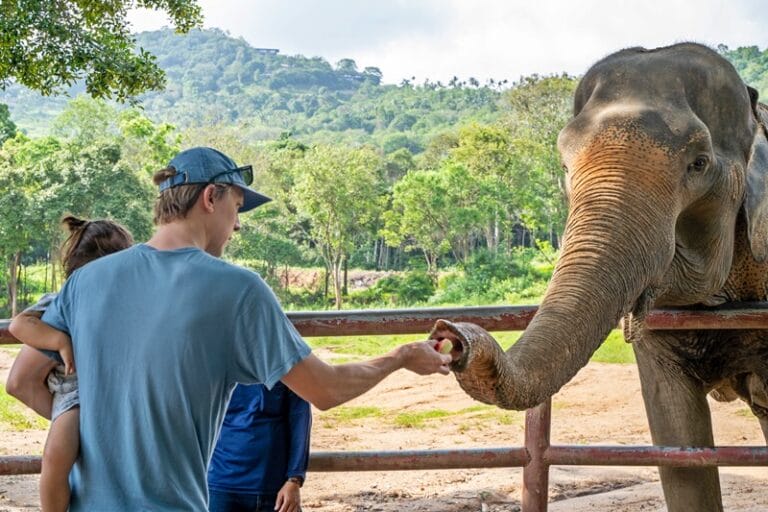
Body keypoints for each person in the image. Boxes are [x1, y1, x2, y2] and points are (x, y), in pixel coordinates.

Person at [10, 146, 452, 511]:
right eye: (236, 208)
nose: (237, 224)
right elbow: (326, 389)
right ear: (210, 197)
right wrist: (400, 357)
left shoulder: (86, 282)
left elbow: (23, 376)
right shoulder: (238, 289)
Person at [7, 216, 134, 512]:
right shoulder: (63, 299)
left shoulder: (129, 301)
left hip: (109, 392)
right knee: (55, 456)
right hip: (73, 394)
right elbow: (19, 325)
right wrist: (60, 341)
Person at [207, 382, 311, 512]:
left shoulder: (286, 365)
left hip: (274, 489)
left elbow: (300, 421)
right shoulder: (214, 366)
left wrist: (294, 479)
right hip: (220, 485)